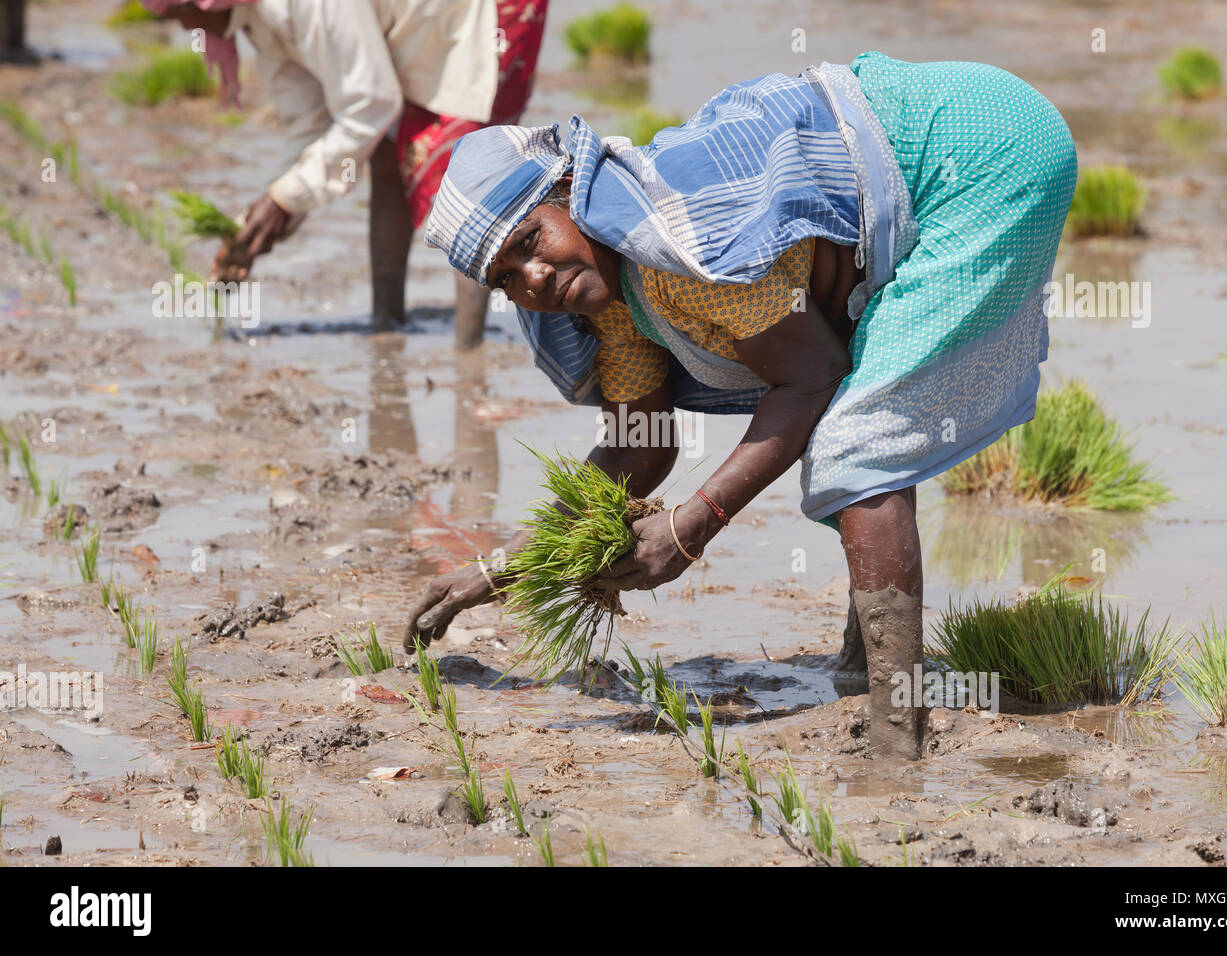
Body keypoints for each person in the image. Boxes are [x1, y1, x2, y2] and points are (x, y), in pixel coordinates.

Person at [409, 52, 1077, 759]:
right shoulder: (614, 306)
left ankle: (896, 738)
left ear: (574, 191)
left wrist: (695, 524)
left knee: (858, 443)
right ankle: (863, 670)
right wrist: (498, 568)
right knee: (869, 407)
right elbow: (640, 445)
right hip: (941, 131)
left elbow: (811, 376)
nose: (535, 277)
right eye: (508, 279)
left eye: (529, 242)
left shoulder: (684, 258)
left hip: (984, 152)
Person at [144, 0, 548, 340]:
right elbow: (310, 129)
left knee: (468, 178)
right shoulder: (262, 22)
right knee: (385, 155)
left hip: (474, 15)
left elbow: (369, 106)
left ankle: (468, 354)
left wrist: (282, 202)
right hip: (416, 31)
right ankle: (386, 324)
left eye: (177, 12)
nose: (179, 25)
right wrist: (259, 221)